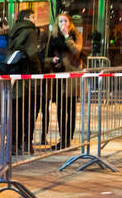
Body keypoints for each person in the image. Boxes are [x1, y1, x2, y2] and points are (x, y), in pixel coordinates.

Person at [46, 12, 83, 149]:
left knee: (71, 108)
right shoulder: (53, 38)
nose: (63, 24)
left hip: (72, 78)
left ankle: (68, 139)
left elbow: (76, 51)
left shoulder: (76, 35)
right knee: (60, 109)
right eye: (60, 22)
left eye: (65, 21)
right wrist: (52, 60)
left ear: (70, 23)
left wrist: (67, 36)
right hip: (58, 76)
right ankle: (63, 139)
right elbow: (46, 58)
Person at [6, 9, 41, 153]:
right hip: (29, 81)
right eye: (33, 17)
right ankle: (26, 142)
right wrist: (38, 70)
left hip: (16, 79)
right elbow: (32, 54)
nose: (35, 20)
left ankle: (13, 143)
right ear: (27, 18)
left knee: (15, 112)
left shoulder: (14, 31)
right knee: (30, 112)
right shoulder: (30, 31)